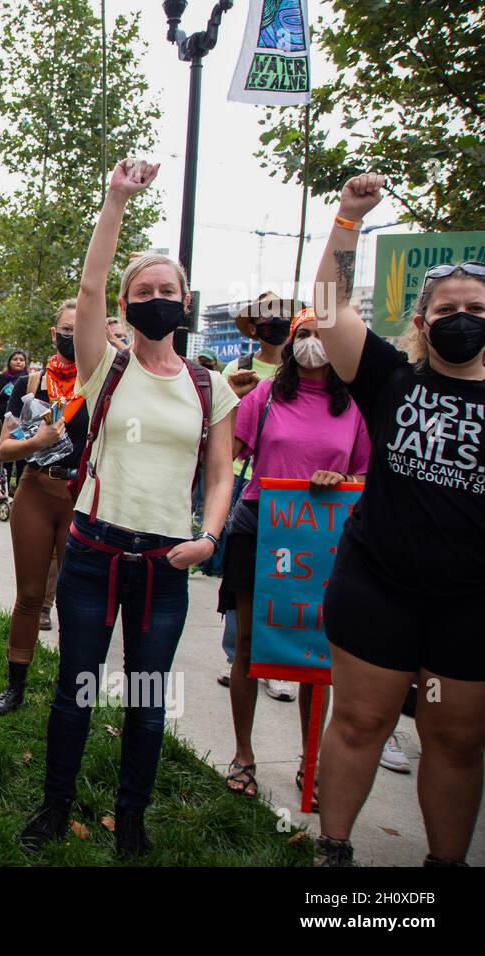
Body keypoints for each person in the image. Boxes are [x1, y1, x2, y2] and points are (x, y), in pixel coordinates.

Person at [20, 159, 238, 857]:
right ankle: (55, 806)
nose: (154, 297)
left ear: (184, 299)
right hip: (93, 553)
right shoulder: (104, 364)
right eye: (141, 290)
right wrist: (115, 199)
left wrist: (208, 537)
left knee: (148, 704)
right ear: (126, 303)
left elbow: (220, 475)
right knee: (76, 689)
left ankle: (132, 817)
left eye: (166, 289)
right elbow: (87, 287)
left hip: (167, 566)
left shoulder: (210, 388)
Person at [311, 173, 485, 868]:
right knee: (358, 722)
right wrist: (350, 218)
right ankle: (334, 849)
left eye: (476, 306)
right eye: (448, 307)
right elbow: (327, 309)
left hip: (469, 605)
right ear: (421, 321)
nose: (463, 316)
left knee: (457, 740)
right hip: (377, 587)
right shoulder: (391, 379)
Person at [220, 307, 370, 810]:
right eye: (302, 334)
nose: (310, 342)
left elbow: (368, 477)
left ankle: (313, 761)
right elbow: (225, 454)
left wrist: (342, 481)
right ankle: (243, 755)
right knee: (247, 645)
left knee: (314, 652)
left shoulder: (355, 407)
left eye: (319, 334)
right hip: (258, 529)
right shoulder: (265, 396)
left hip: (322, 543)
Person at [0, 299, 87, 714]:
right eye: (67, 328)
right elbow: (3, 450)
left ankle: (70, 693)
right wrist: (36, 443)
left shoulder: (102, 384)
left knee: (77, 600)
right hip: (35, 489)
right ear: (54, 334)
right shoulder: (30, 385)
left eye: (81, 329)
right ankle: (16, 686)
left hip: (82, 496)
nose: (73, 336)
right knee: (30, 594)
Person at [223, 292, 303, 703]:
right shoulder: (237, 368)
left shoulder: (304, 371)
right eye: (266, 318)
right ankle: (237, 656)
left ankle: (275, 663)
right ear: (253, 328)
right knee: (242, 580)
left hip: (290, 487)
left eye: (283, 318)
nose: (275, 324)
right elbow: (220, 427)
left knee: (284, 581)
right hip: (243, 479)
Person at [0, 350, 28, 417]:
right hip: (0, 421)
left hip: (22, 423)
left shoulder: (30, 380)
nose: (18, 362)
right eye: (15, 359)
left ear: (25, 364)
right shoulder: (0, 379)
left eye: (21, 360)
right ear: (9, 363)